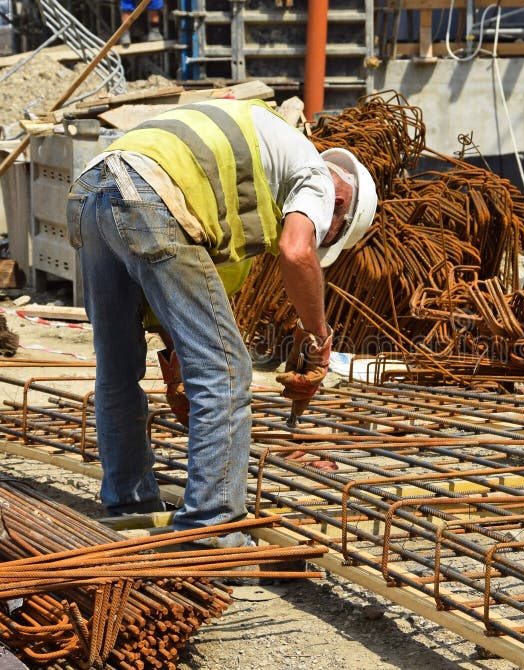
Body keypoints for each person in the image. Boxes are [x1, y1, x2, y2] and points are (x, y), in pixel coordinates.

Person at [66, 97, 378, 547]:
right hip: (152, 191)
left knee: (117, 369)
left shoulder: (243, 179)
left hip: (94, 190)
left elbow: (175, 293)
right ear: (341, 204)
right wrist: (318, 334)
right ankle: (212, 525)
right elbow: (296, 251)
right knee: (227, 372)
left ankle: (130, 505)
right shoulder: (315, 174)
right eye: (330, 233)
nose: (320, 234)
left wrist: (176, 361)